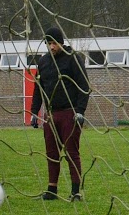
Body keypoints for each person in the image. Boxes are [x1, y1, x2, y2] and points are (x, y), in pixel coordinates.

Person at [29, 25, 91, 201]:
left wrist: (80, 111)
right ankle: (52, 190)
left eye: (54, 43)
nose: (52, 47)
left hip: (69, 113)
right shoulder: (43, 61)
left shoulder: (73, 59)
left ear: (61, 42)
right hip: (50, 114)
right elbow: (38, 87)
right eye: (49, 43)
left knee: (72, 152)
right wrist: (34, 112)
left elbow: (84, 85)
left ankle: (76, 191)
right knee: (51, 153)